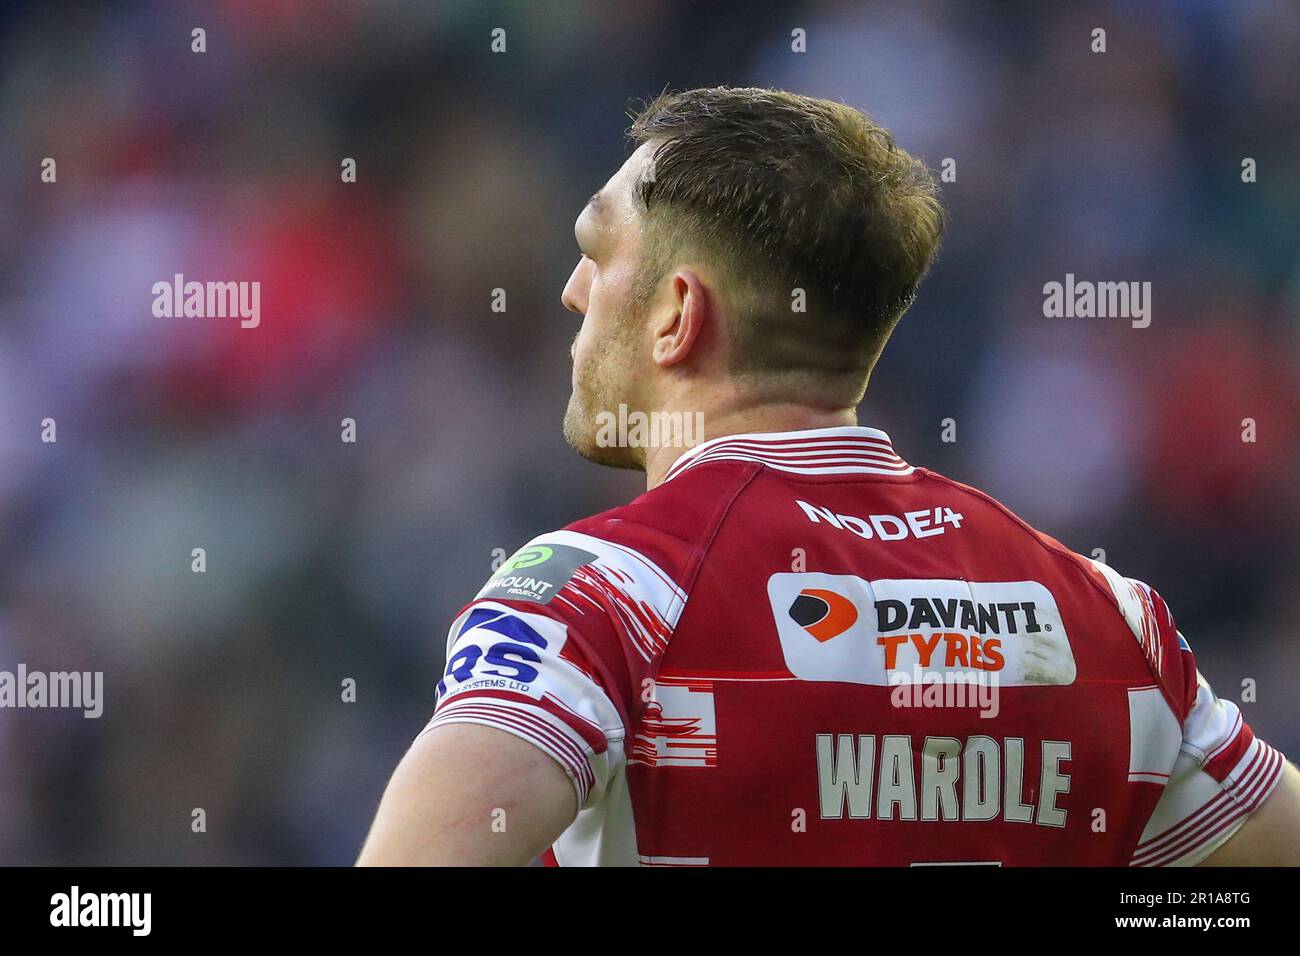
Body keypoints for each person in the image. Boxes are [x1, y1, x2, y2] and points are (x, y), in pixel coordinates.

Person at [358, 87, 1297, 866]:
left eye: (597, 252)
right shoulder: (1106, 615)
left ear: (677, 314)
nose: (571, 290)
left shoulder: (598, 600)